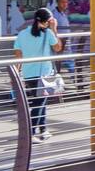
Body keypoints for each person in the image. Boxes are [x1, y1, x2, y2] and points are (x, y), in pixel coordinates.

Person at [13, 8, 62, 142]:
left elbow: (18, 55)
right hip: (44, 74)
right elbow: (58, 48)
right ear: (47, 21)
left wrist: (17, 74)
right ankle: (31, 133)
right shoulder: (48, 33)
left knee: (41, 101)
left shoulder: (22, 33)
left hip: (28, 73)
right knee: (39, 103)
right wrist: (54, 29)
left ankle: (43, 129)